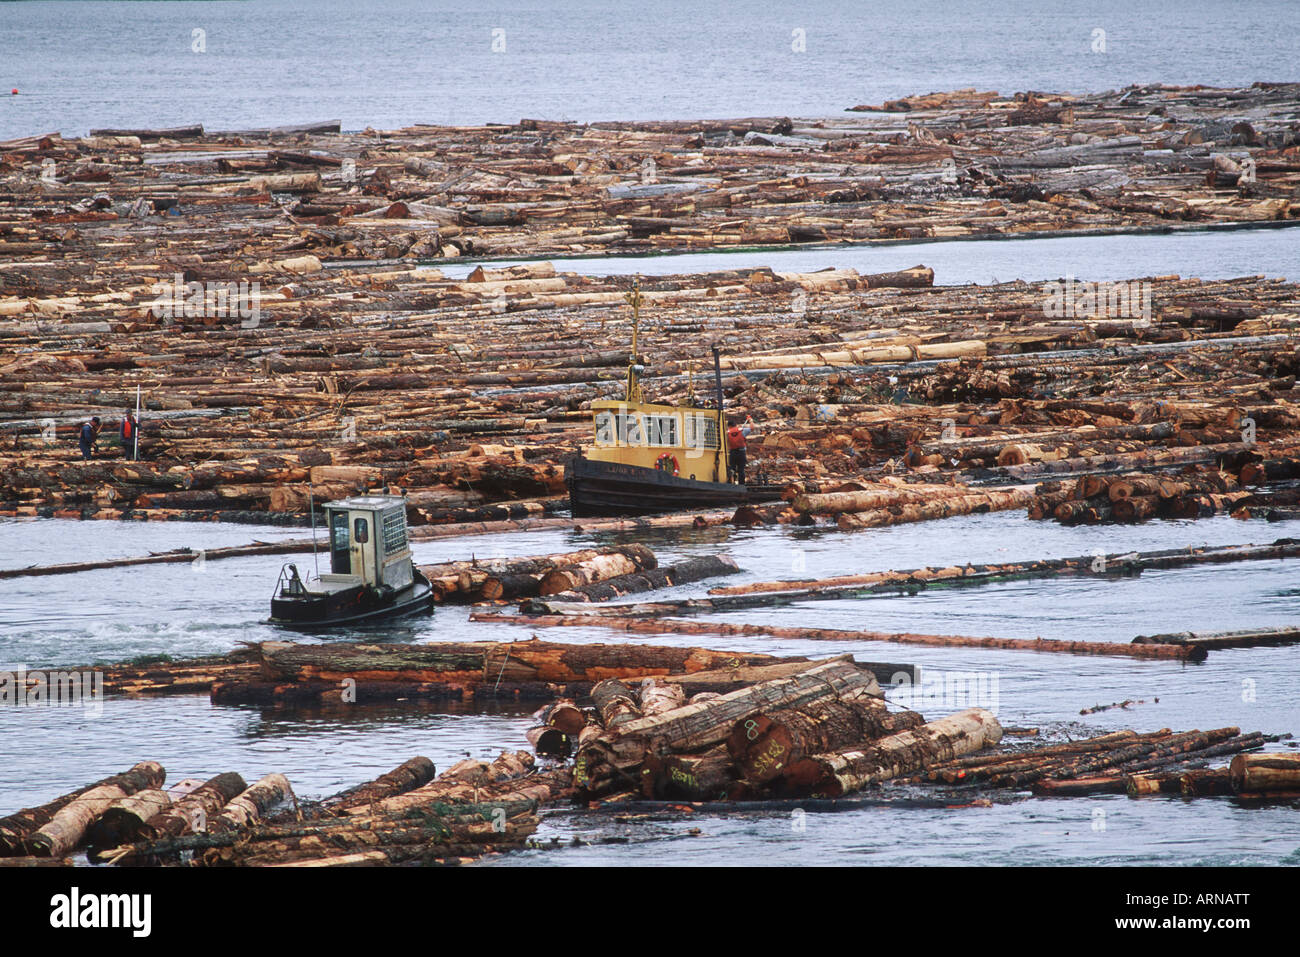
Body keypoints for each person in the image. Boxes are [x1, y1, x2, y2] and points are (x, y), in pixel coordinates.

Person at [726, 415, 753, 484]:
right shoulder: (742, 431)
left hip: (732, 453)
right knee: (741, 470)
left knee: (732, 469)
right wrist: (750, 420)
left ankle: (732, 483)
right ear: (736, 425)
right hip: (741, 452)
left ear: (729, 426)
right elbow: (752, 428)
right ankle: (742, 484)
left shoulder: (727, 433)